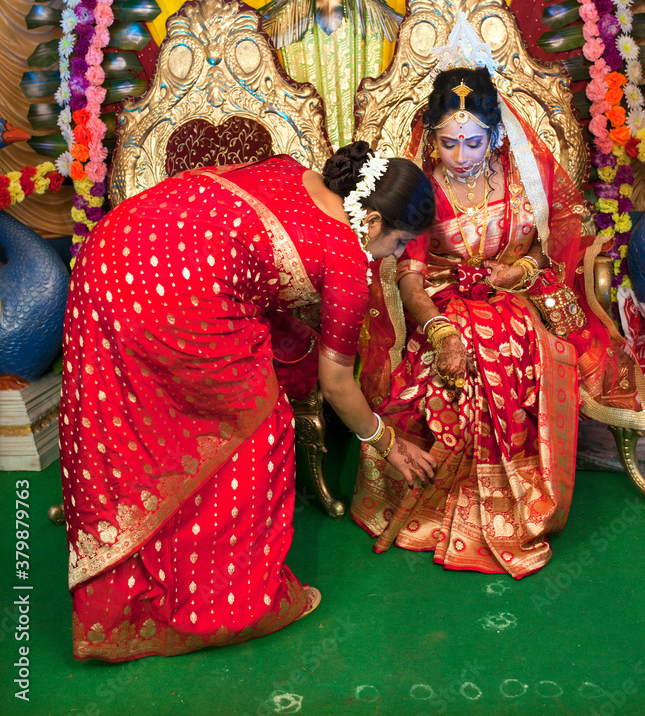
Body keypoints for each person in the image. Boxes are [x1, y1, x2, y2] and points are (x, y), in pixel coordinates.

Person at [59, 146, 437, 661]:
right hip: (168, 298)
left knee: (142, 415)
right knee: (261, 426)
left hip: (110, 255)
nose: (394, 256)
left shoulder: (292, 170)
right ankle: (225, 605)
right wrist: (384, 440)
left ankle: (130, 535)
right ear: (371, 220)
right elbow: (338, 385)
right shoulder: (348, 255)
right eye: (398, 242)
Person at [352, 15, 645, 579]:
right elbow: (410, 280)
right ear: (431, 136)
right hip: (446, 304)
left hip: (517, 293)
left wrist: (520, 269)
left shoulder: (525, 172)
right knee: (471, 352)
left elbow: (553, 243)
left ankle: (520, 499)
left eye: (474, 141)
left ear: (497, 135)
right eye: (448, 143)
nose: (462, 155)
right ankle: (458, 501)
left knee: (529, 344)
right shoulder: (421, 188)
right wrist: (440, 330)